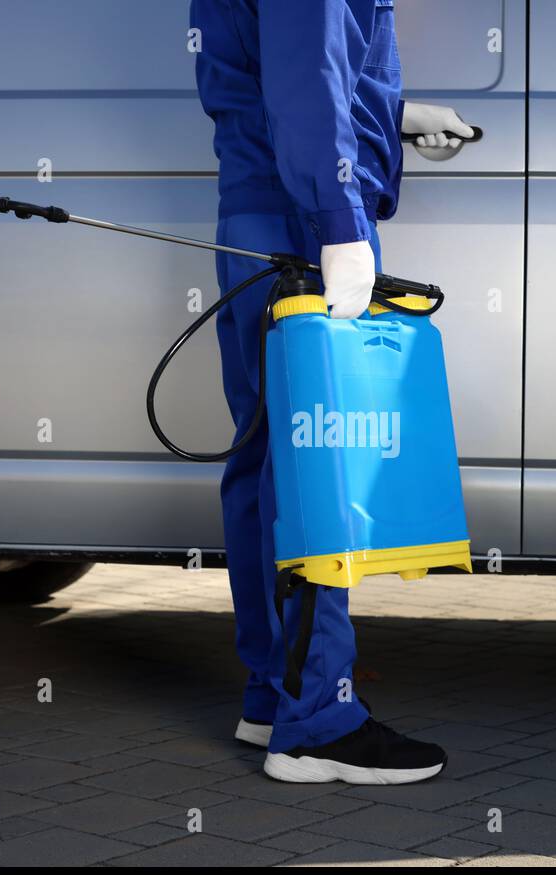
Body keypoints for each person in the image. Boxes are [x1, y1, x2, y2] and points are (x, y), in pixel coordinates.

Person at [191, 0, 475, 785]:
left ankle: (271, 694)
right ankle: (318, 718)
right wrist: (340, 216)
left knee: (268, 462)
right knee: (316, 475)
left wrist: (389, 111)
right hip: (303, 224)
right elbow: (305, 74)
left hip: (259, 211)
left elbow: (287, 62)